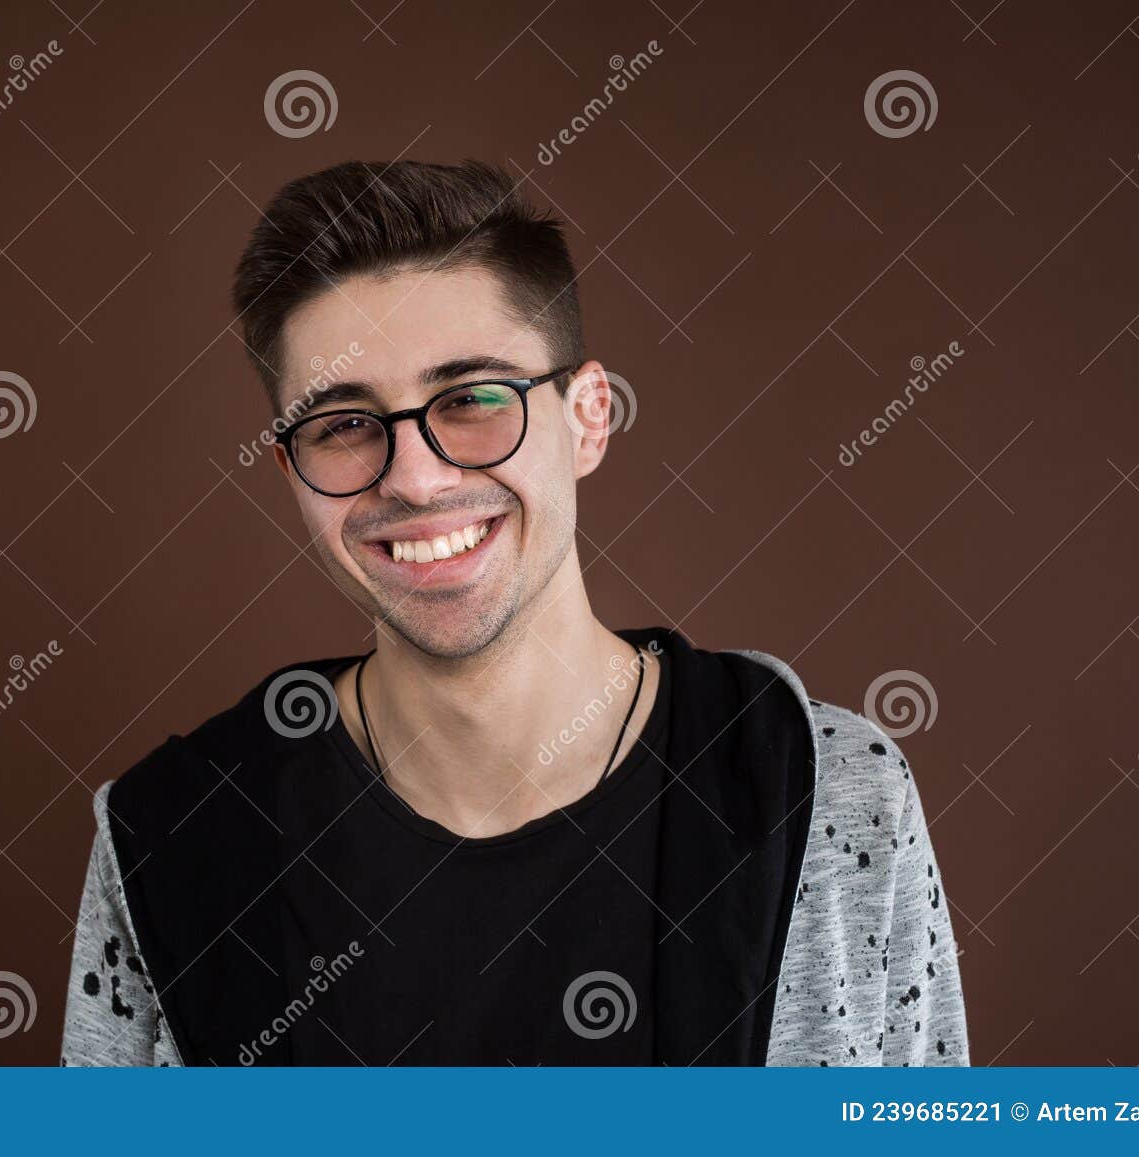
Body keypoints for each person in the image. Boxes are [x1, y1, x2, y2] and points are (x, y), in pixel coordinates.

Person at [59, 159, 968, 1066]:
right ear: (291, 473)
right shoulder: (171, 836)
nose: (416, 479)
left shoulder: (828, 789)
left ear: (589, 416)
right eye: (343, 424)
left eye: (471, 399)